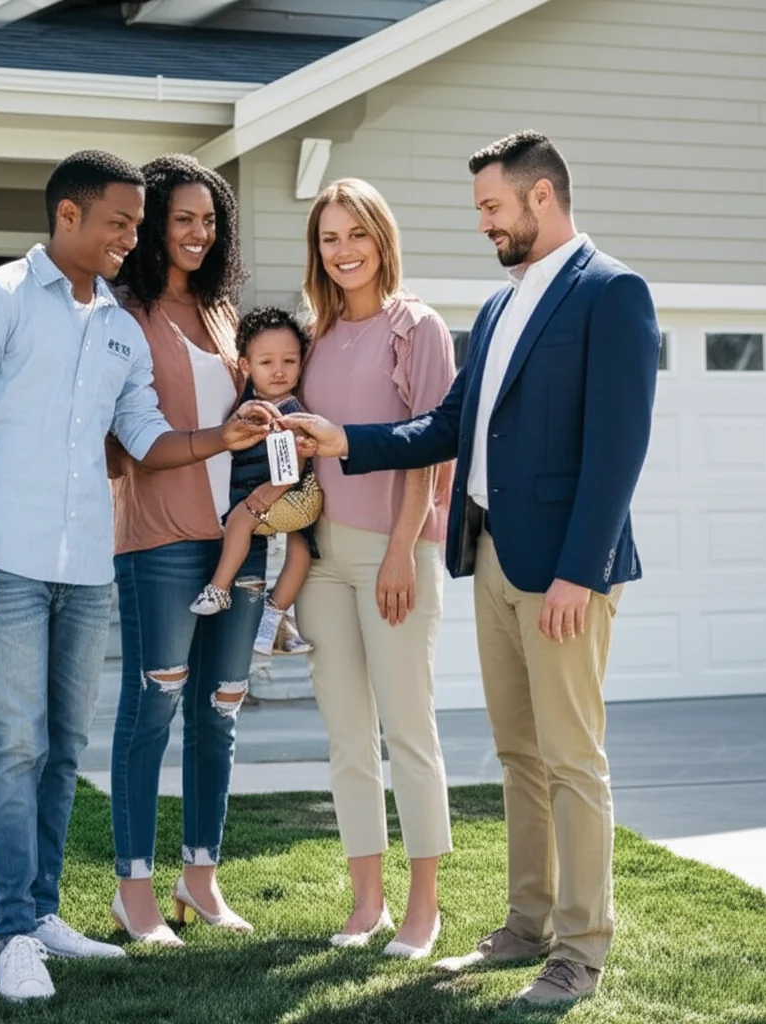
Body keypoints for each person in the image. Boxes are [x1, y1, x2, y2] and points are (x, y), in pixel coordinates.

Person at [282, 132, 660, 1005]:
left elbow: (618, 450)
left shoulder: (612, 292)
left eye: (492, 207)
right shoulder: (497, 307)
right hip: (491, 556)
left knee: (573, 759)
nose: (483, 223)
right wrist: (348, 441)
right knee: (521, 755)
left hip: (566, 569)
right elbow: (445, 427)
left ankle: (581, 949)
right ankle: (526, 926)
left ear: (540, 198)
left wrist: (581, 571)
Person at [0, 150, 271, 1003]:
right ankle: (11, 931)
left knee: (63, 748)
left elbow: (147, 438)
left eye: (135, 224)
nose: (132, 237)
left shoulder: (118, 325)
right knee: (16, 744)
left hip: (84, 568)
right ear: (68, 216)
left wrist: (220, 441)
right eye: (120, 221)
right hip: (3, 558)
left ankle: (43, 915)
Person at [106, 154, 272, 947]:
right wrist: (221, 434)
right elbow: (134, 443)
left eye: (210, 220)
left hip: (235, 544)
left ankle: (199, 880)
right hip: (163, 541)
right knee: (154, 709)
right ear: (152, 227)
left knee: (220, 715)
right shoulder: (125, 314)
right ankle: (133, 890)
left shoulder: (222, 313)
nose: (199, 234)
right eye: (183, 219)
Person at [294, 178, 457, 960]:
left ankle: (423, 910)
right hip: (322, 558)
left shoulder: (415, 327)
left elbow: (431, 440)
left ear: (381, 238)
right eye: (329, 237)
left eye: (356, 233)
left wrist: (402, 548)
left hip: (396, 552)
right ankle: (367, 904)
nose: (344, 250)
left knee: (408, 730)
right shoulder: (315, 334)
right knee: (348, 738)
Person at [190, 305, 319, 658]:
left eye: (289, 362)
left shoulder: (291, 412)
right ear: (246, 366)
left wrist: (265, 495)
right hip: (282, 494)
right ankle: (274, 622)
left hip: (292, 494)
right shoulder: (250, 405)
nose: (279, 371)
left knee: (241, 520)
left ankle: (219, 587)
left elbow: (296, 461)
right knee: (300, 553)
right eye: (267, 363)